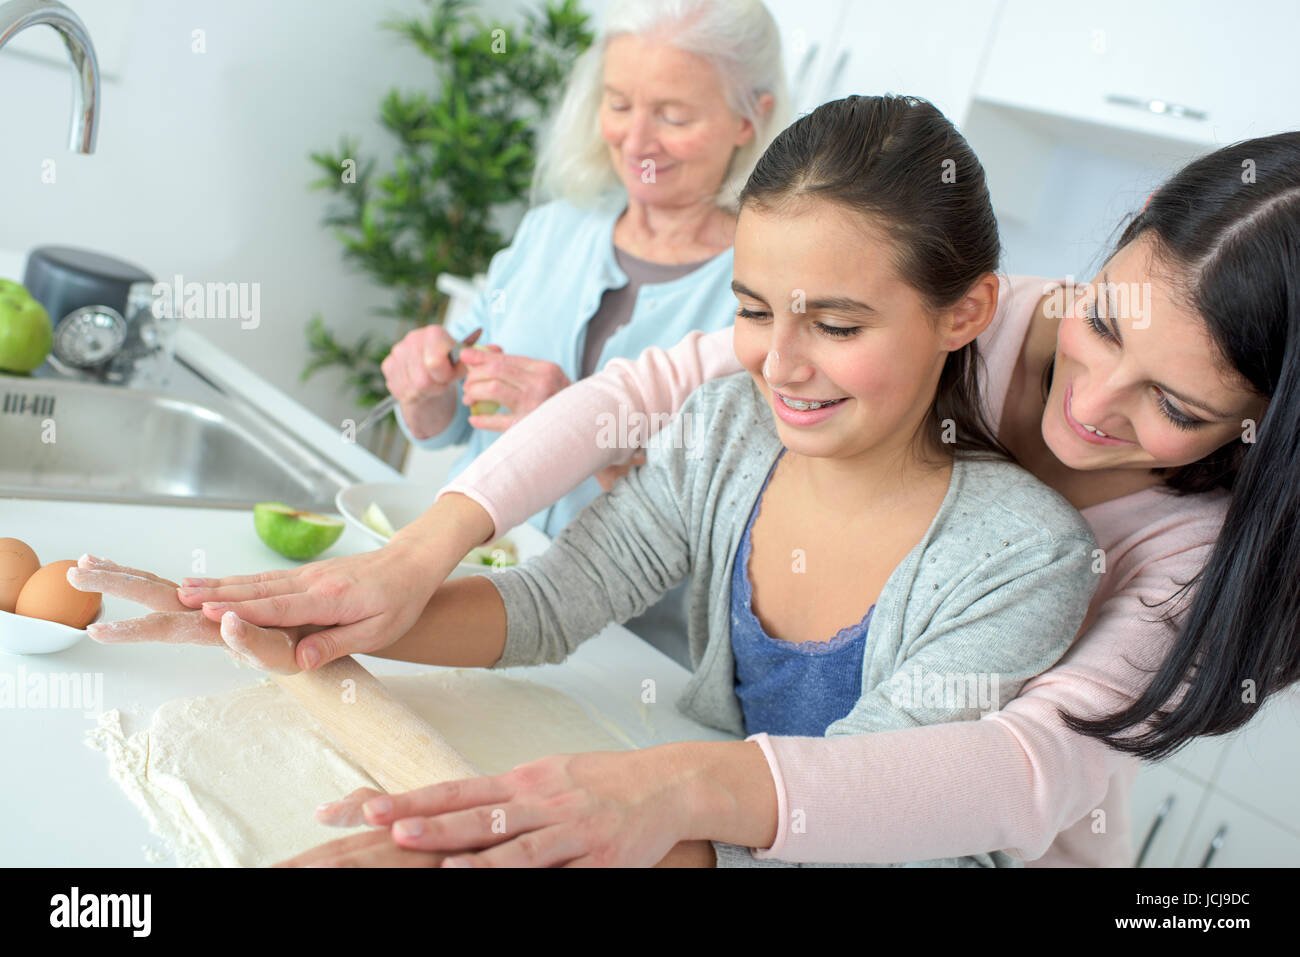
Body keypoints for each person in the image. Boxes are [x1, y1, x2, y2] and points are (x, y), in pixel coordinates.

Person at [165, 129, 1300, 867]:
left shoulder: (1058, 556)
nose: (1087, 403)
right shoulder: (779, 404)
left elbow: (1009, 777)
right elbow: (632, 428)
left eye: (1173, 409)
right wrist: (409, 564)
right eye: (1098, 331)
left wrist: (671, 799)